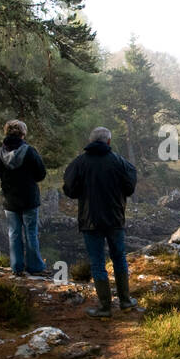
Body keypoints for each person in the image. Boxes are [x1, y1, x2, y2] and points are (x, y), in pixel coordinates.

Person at [62, 126, 138, 317]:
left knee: (97, 262)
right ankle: (126, 302)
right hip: (115, 218)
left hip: (90, 219)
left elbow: (69, 190)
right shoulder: (120, 162)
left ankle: (104, 307)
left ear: (91, 141)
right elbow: (129, 188)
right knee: (119, 257)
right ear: (109, 142)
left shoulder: (79, 163)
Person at [0, 119, 47, 276]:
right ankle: (35, 266)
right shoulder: (29, 151)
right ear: (23, 134)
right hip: (29, 198)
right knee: (31, 232)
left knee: (13, 233)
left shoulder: (0, 152)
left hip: (9, 199)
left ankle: (16, 267)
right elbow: (41, 173)